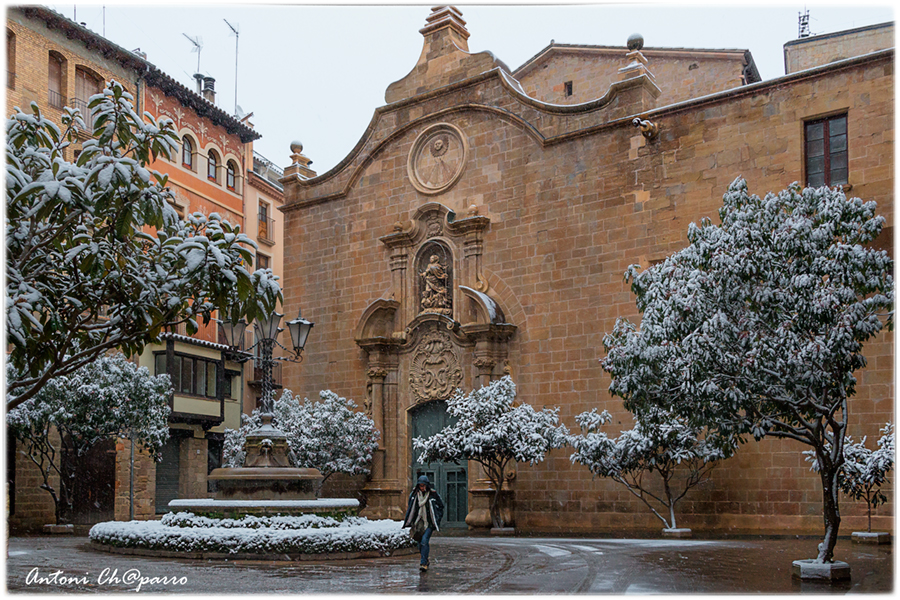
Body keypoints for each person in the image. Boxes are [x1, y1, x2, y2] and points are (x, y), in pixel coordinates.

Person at [402, 474, 444, 571]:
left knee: (424, 541)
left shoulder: (433, 494)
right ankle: (425, 558)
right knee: (419, 543)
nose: (422, 488)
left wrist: (437, 519)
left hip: (429, 523)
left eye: (424, 485)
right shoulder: (414, 495)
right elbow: (410, 508)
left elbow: (440, 506)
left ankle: (423, 563)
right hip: (418, 522)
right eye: (420, 486)